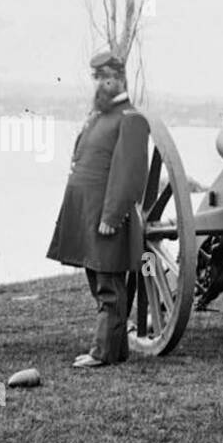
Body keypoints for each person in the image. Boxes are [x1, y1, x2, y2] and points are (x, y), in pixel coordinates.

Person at [47, 50, 150, 367]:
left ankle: (103, 352)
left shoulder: (131, 119)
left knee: (108, 285)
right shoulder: (99, 117)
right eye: (98, 79)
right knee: (99, 279)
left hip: (105, 216)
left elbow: (128, 173)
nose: (102, 85)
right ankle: (116, 350)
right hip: (88, 213)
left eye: (108, 78)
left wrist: (112, 216)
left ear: (120, 79)